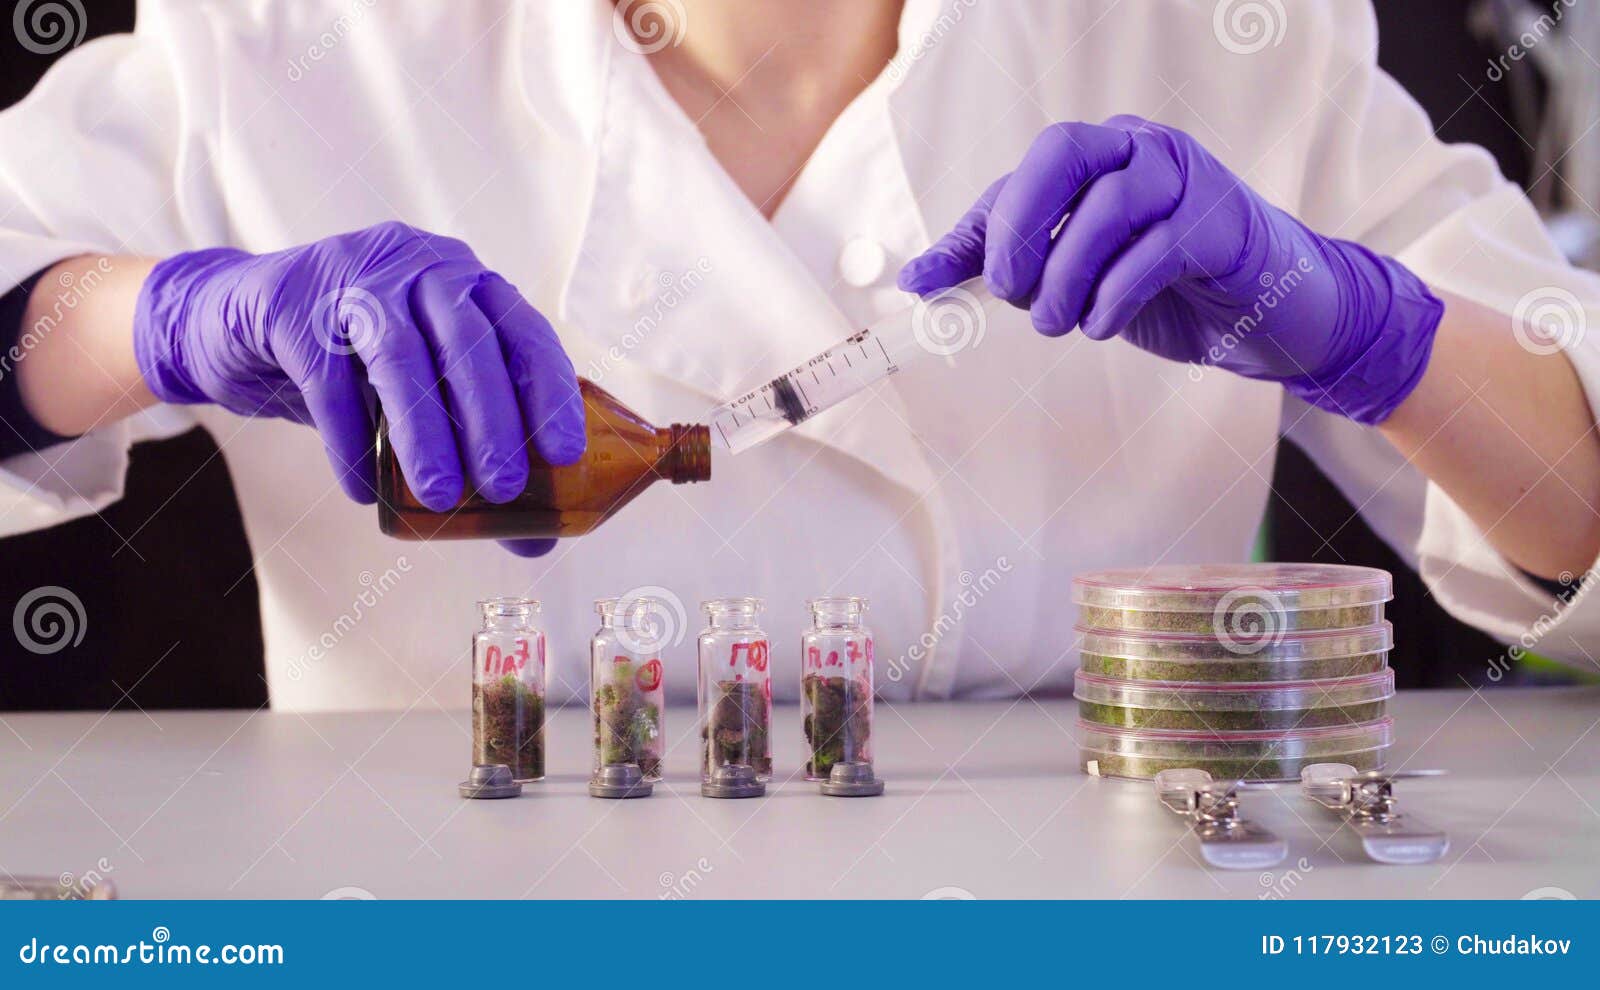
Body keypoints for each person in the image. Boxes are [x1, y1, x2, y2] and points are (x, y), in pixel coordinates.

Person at [1, 0, 1597, 710]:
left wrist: (1372, 334)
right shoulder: (291, 38)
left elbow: (1582, 505)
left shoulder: (1216, 33)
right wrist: (151, 321)